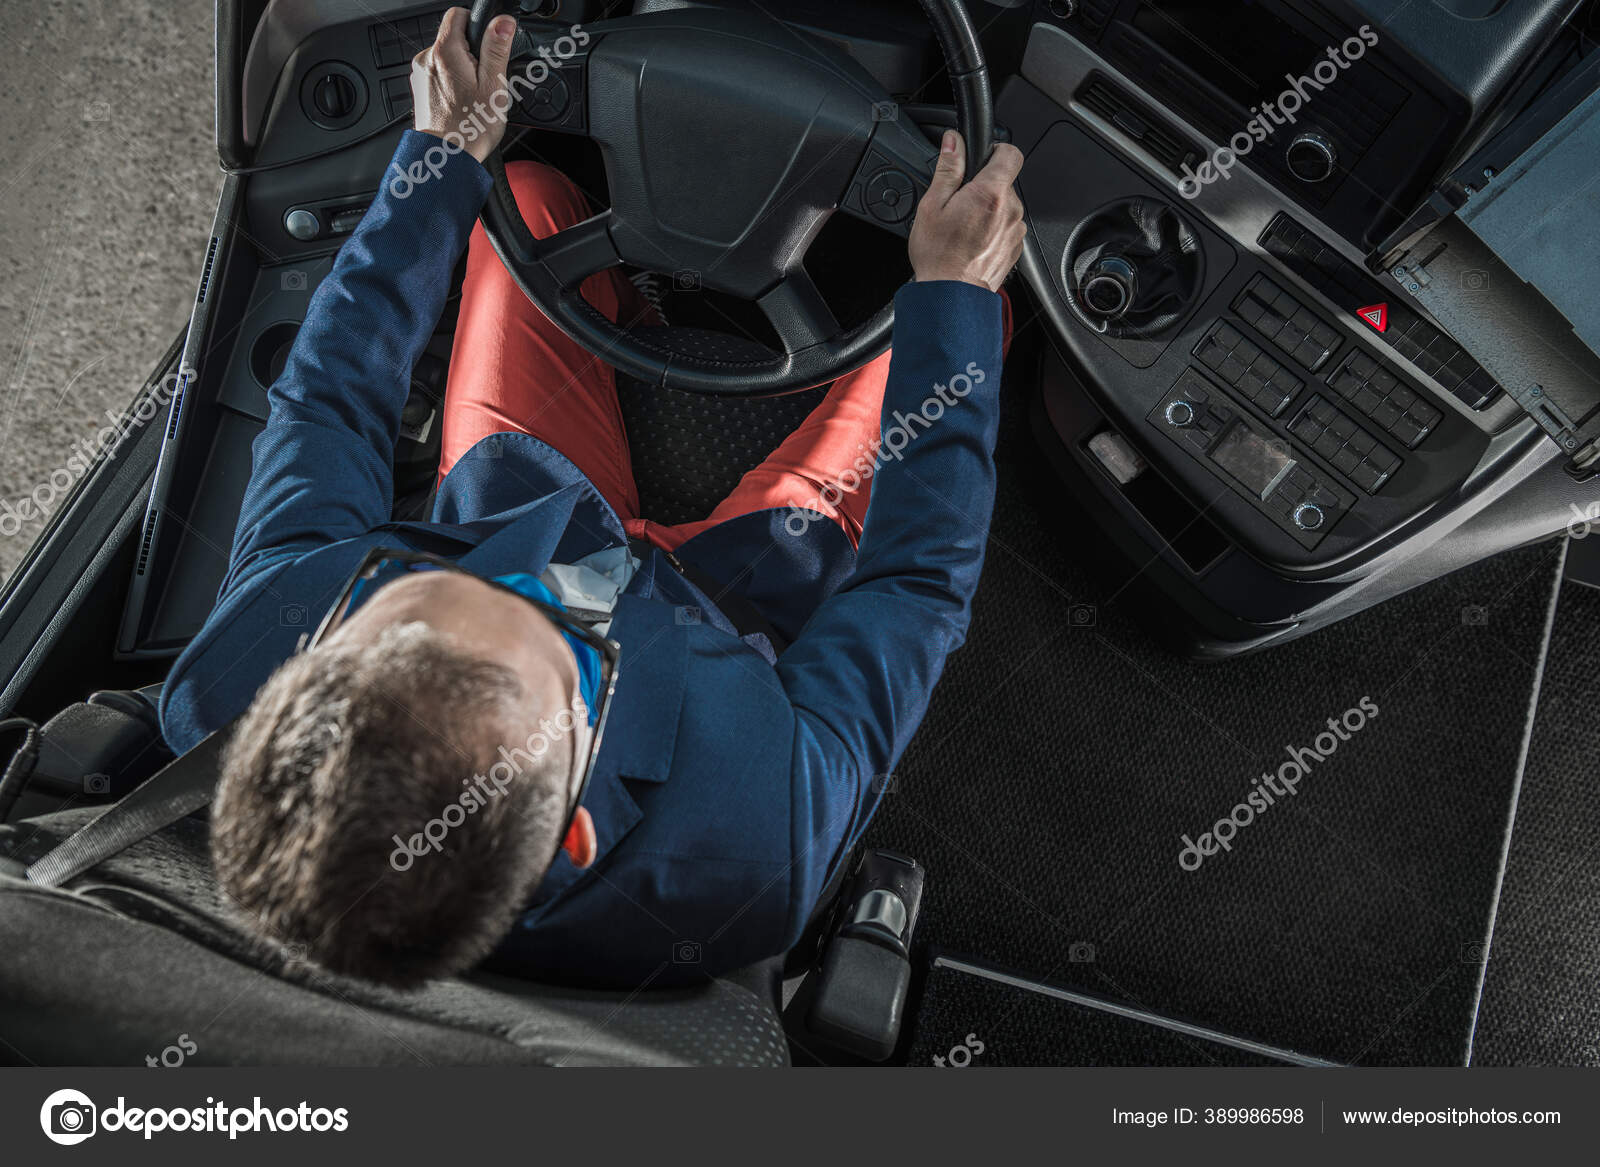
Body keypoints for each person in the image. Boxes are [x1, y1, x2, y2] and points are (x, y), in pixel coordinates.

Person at [160, 8, 1026, 987]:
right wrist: (952, 293)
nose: (545, 583)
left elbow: (328, 405)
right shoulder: (756, 840)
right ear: (571, 832)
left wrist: (439, 158)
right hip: (749, 596)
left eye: (413, 582)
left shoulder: (242, 673)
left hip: (517, 502)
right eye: (562, 638)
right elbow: (915, 585)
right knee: (966, 328)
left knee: (527, 198)